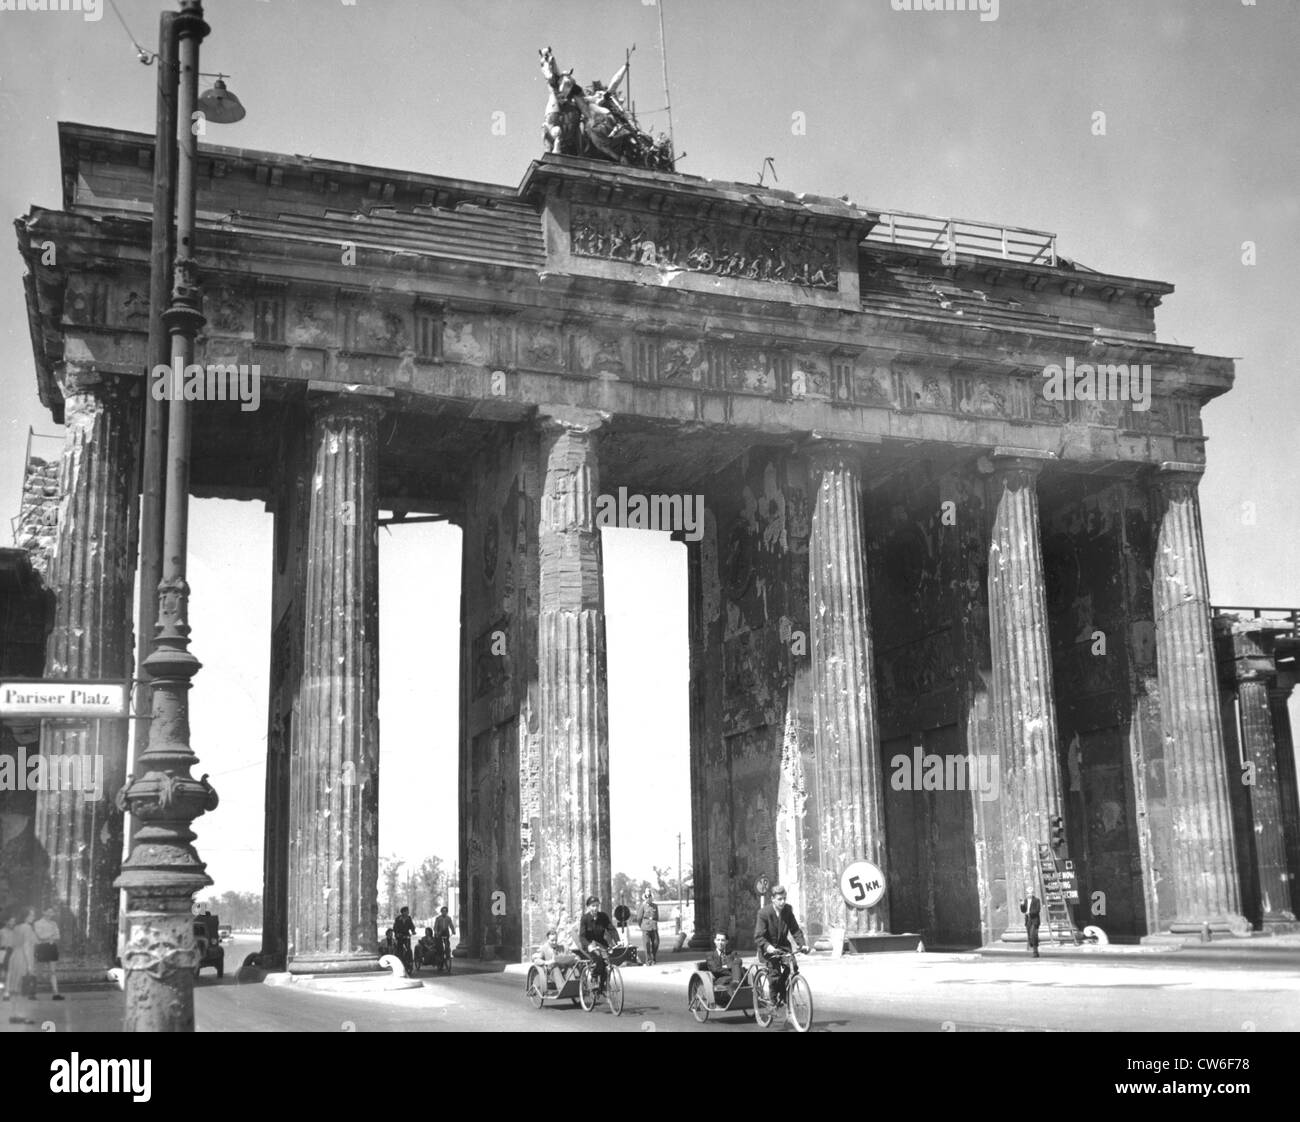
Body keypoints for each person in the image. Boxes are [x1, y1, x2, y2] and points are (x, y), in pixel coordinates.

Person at [754, 886, 808, 1001]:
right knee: (774, 975)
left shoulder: (787, 910)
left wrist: (802, 944)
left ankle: (783, 992)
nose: (783, 902)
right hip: (768, 949)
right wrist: (768, 947)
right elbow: (758, 936)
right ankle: (772, 1002)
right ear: (772, 899)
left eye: (784, 898)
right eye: (779, 899)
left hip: (783, 947)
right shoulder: (764, 913)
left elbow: (795, 930)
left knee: (792, 966)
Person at [4, 907, 37, 1023]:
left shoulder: (16, 927)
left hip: (14, 957)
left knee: (15, 987)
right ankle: (23, 1015)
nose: (33, 917)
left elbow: (12, 944)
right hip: (23, 957)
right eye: (32, 915)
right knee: (24, 987)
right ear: (26, 916)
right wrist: (29, 965)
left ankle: (14, 1014)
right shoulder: (27, 928)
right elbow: (27, 946)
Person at [579, 895, 619, 988]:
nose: (595, 908)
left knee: (608, 962)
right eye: (593, 906)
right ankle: (594, 976)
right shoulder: (585, 918)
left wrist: (618, 941)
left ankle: (603, 984)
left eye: (597, 905)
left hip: (601, 944)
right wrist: (588, 945)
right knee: (599, 960)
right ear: (588, 907)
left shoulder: (603, 916)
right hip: (589, 945)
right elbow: (582, 936)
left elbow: (611, 929)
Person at [532, 927, 577, 992]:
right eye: (552, 940)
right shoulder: (544, 948)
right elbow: (536, 960)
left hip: (563, 969)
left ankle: (573, 989)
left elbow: (570, 954)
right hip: (551, 973)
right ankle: (562, 990)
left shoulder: (562, 947)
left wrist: (573, 958)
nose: (554, 942)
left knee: (569, 969)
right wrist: (547, 962)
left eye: (556, 940)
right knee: (556, 969)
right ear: (548, 940)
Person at [33, 905, 61, 1000]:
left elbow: (58, 936)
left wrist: (49, 935)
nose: (50, 914)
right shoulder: (38, 923)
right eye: (48, 911)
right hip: (42, 947)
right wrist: (51, 934)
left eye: (52, 912)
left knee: (53, 971)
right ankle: (33, 992)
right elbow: (40, 936)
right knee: (39, 972)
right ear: (43, 912)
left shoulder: (54, 923)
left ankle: (56, 993)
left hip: (52, 947)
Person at [705, 931, 744, 1000]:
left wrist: (728, 966)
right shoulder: (710, 955)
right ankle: (736, 982)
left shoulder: (732, 953)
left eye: (723, 940)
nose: (720, 943)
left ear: (726, 941)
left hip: (734, 977)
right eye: (718, 940)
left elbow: (739, 961)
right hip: (721, 979)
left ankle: (735, 983)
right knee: (737, 974)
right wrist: (733, 972)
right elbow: (715, 969)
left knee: (736, 963)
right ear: (714, 941)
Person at [636, 888, 660, 966]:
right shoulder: (643, 906)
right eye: (646, 897)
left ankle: (654, 957)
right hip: (645, 926)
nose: (648, 898)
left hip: (653, 926)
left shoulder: (655, 906)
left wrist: (655, 923)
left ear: (651, 897)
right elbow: (639, 918)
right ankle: (648, 960)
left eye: (649, 896)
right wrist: (641, 926)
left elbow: (657, 917)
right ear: (645, 898)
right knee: (646, 944)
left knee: (656, 943)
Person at [1020, 887, 1041, 958]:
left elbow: (1037, 910)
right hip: (1028, 920)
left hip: (1034, 920)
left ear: (1032, 893)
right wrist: (1022, 905)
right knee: (1030, 936)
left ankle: (1035, 952)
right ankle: (1035, 949)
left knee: (1033, 935)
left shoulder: (1037, 900)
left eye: (1030, 893)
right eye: (1028, 893)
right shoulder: (1025, 901)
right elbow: (1023, 911)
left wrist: (1030, 912)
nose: (1029, 894)